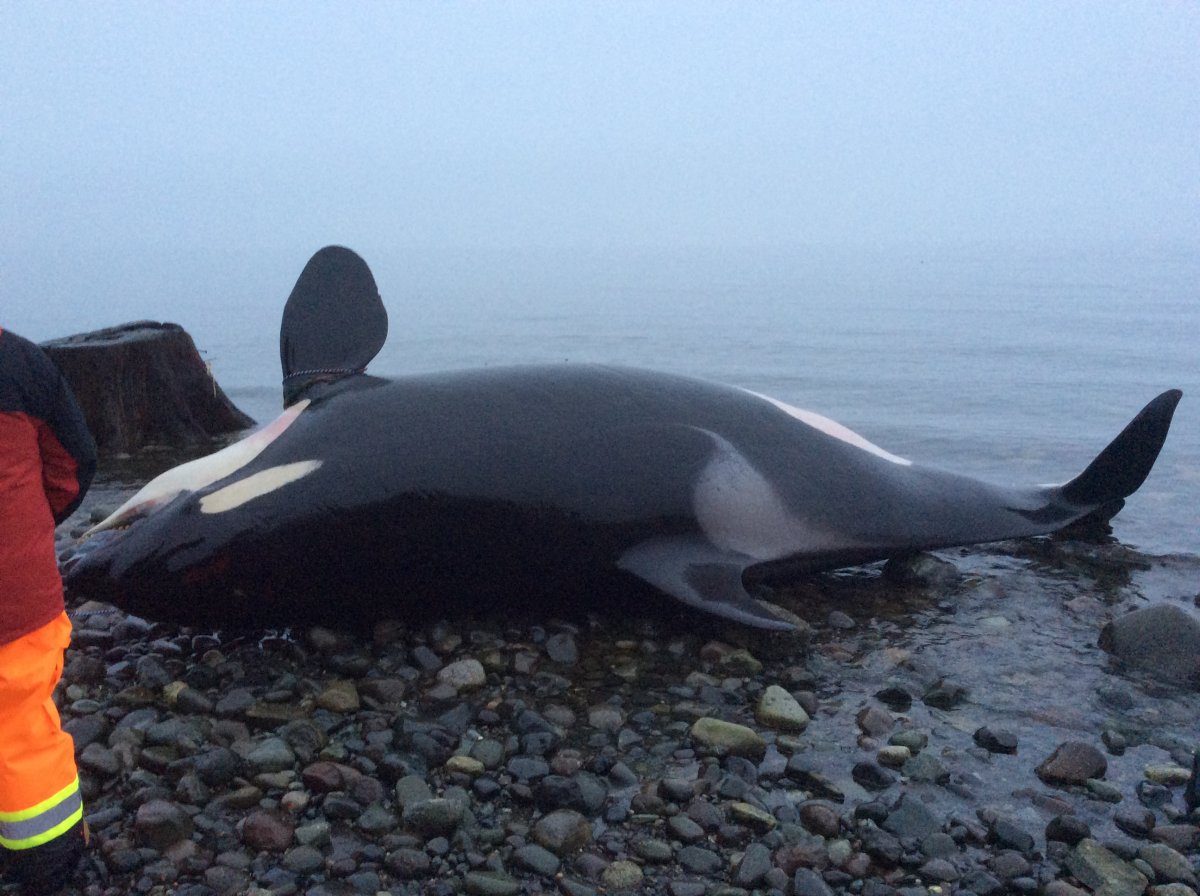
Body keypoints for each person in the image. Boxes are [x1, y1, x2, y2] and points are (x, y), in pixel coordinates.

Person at [0, 327, 96, 895]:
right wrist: (29, 534)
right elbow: (74, 468)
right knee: (19, 729)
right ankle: (47, 870)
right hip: (15, 600)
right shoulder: (15, 360)